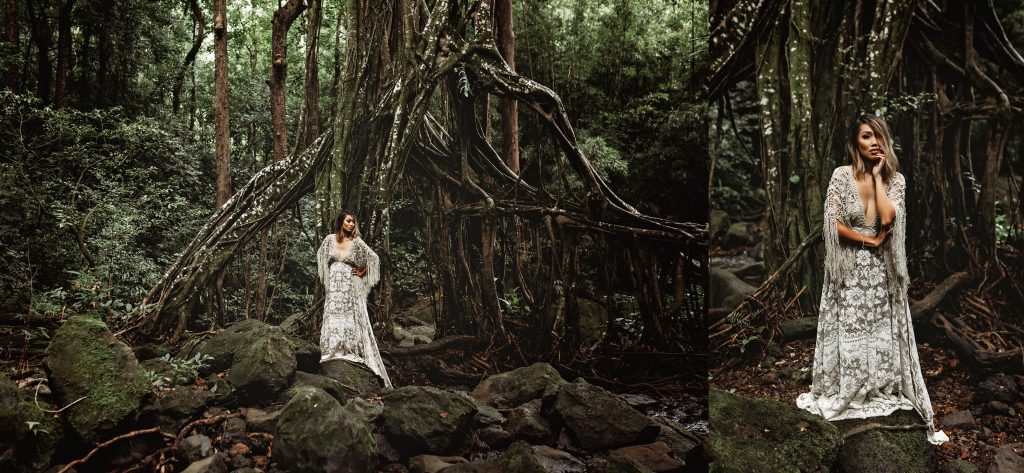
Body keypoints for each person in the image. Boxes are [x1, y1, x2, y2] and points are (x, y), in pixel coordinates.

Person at [795, 114, 948, 445]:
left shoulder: (896, 180)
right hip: (848, 268)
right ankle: (849, 387)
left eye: (878, 136)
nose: (874, 142)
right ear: (855, 144)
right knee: (851, 328)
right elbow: (833, 224)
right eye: (866, 136)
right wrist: (868, 241)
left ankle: (878, 385)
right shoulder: (841, 176)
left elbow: (889, 217)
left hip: (882, 272)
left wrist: (878, 178)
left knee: (879, 331)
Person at [316, 210, 393, 388]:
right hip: (334, 284)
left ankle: (348, 349)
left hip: (350, 284)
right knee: (333, 312)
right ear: (341, 222)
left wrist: (361, 272)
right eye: (349, 221)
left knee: (349, 314)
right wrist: (328, 273)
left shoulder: (356, 242)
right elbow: (321, 255)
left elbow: (373, 258)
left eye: (353, 222)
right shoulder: (329, 239)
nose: (352, 224)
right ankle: (332, 349)